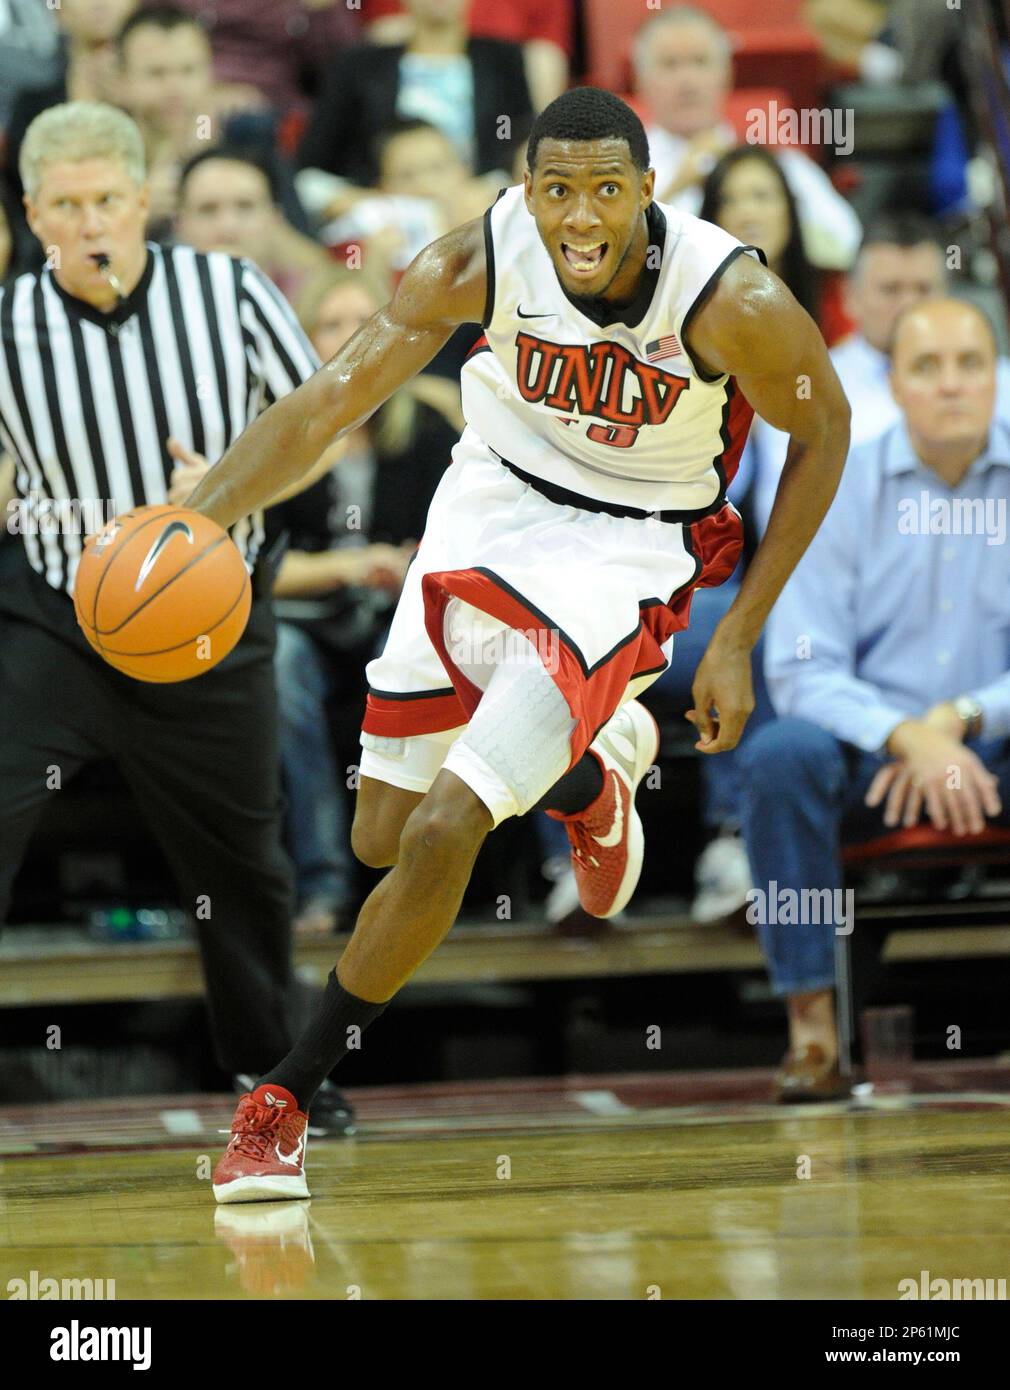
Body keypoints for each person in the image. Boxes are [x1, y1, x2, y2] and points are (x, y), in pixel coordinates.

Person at [182, 87, 850, 1203]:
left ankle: (282, 1098)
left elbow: (822, 427)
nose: (579, 217)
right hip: (489, 503)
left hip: (628, 548)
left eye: (604, 190)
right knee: (381, 832)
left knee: (450, 820)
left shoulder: (726, 295)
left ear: (647, 190)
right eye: (554, 190)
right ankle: (593, 778)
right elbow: (326, 401)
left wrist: (737, 631)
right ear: (523, 191)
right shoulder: (472, 261)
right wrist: (191, 520)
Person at [0, 101, 353, 1135]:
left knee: (243, 862)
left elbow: (319, 423)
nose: (91, 220)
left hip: (207, 621)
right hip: (58, 620)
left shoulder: (229, 291)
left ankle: (273, 1071)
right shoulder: (7, 325)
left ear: (144, 199)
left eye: (108, 197)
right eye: (66, 206)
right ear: (33, 215)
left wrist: (238, 487)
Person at [740, 297, 1010, 1102]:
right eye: (927, 367)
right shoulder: (839, 484)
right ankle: (814, 1030)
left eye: (971, 364)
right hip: (872, 762)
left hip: (995, 747)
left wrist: (958, 722)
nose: (952, 385)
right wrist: (907, 737)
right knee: (781, 755)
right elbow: (799, 668)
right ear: (892, 383)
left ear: (998, 378)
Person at [271, 265, 460, 935]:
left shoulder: (431, 429)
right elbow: (249, 568)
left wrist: (407, 566)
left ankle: (413, 883)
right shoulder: (282, 437)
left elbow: (470, 546)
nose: (351, 340)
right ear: (303, 344)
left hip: (402, 617)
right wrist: (350, 565)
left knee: (423, 657)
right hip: (309, 623)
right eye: (332, 325)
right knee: (278, 665)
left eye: (366, 325)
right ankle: (322, 881)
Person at [633, 5, 862, 273]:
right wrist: (677, 186)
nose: (687, 80)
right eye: (670, 64)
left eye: (700, 62)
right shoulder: (623, 166)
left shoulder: (773, 157)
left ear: (727, 73)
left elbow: (846, 240)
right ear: (640, 79)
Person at [297, 0, 532, 193]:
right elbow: (311, 166)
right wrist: (362, 202)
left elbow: (524, 146)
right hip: (383, 212)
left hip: (479, 208)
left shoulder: (504, 62)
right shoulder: (358, 65)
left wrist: (488, 193)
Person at [832, 214, 1010, 449]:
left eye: (923, 289)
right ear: (850, 297)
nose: (908, 305)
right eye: (890, 289)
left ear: (948, 293)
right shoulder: (814, 389)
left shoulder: (1001, 381)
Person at [174, 146, 332, 305]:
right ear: (180, 224)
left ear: (275, 219)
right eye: (208, 209)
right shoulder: (155, 303)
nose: (228, 227)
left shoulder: (320, 304)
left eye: (245, 206)